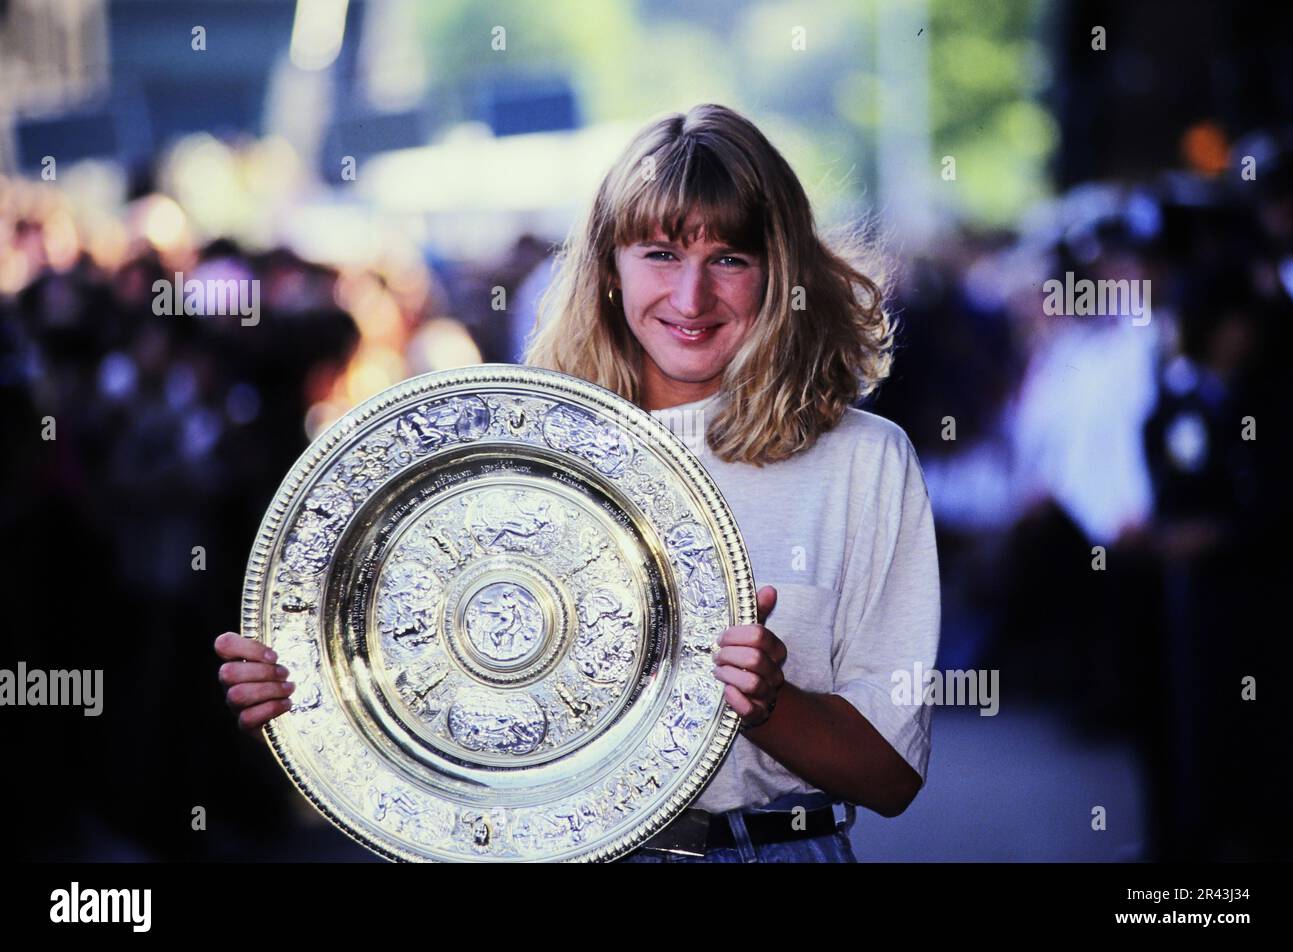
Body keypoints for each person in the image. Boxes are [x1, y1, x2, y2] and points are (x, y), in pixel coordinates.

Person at [215, 103, 942, 863]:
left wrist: (769, 705)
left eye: (729, 258)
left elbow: (890, 778)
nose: (691, 298)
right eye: (660, 253)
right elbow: (438, 685)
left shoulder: (863, 461)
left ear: (780, 271)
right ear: (607, 268)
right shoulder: (516, 452)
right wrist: (305, 686)